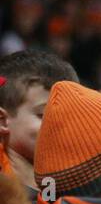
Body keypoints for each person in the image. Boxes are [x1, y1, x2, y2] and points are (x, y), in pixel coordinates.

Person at [0, 50, 79, 189]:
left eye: (70, 115)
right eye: (43, 115)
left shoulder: (77, 183)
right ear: (3, 120)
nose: (62, 124)